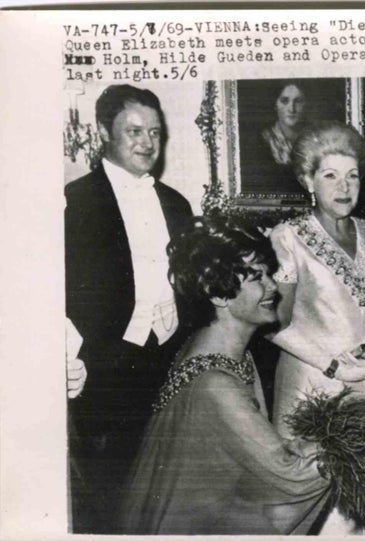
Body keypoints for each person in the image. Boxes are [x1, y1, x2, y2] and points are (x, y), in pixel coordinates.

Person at [118, 217, 365, 534]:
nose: (273, 286)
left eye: (269, 273)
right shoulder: (216, 383)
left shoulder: (226, 352)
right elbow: (292, 473)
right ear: (217, 294)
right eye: (257, 277)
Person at [269, 121, 365, 534]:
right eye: (330, 175)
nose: (344, 186)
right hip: (313, 388)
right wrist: (334, 365)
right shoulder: (289, 238)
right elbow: (273, 322)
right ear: (307, 180)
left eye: (352, 176)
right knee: (321, 514)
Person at [65, 84, 193, 532]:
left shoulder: (176, 203)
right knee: (109, 495)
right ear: (104, 131)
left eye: (155, 132)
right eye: (134, 131)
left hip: (168, 361)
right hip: (104, 371)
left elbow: (190, 289)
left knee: (165, 493)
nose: (148, 143)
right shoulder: (75, 202)